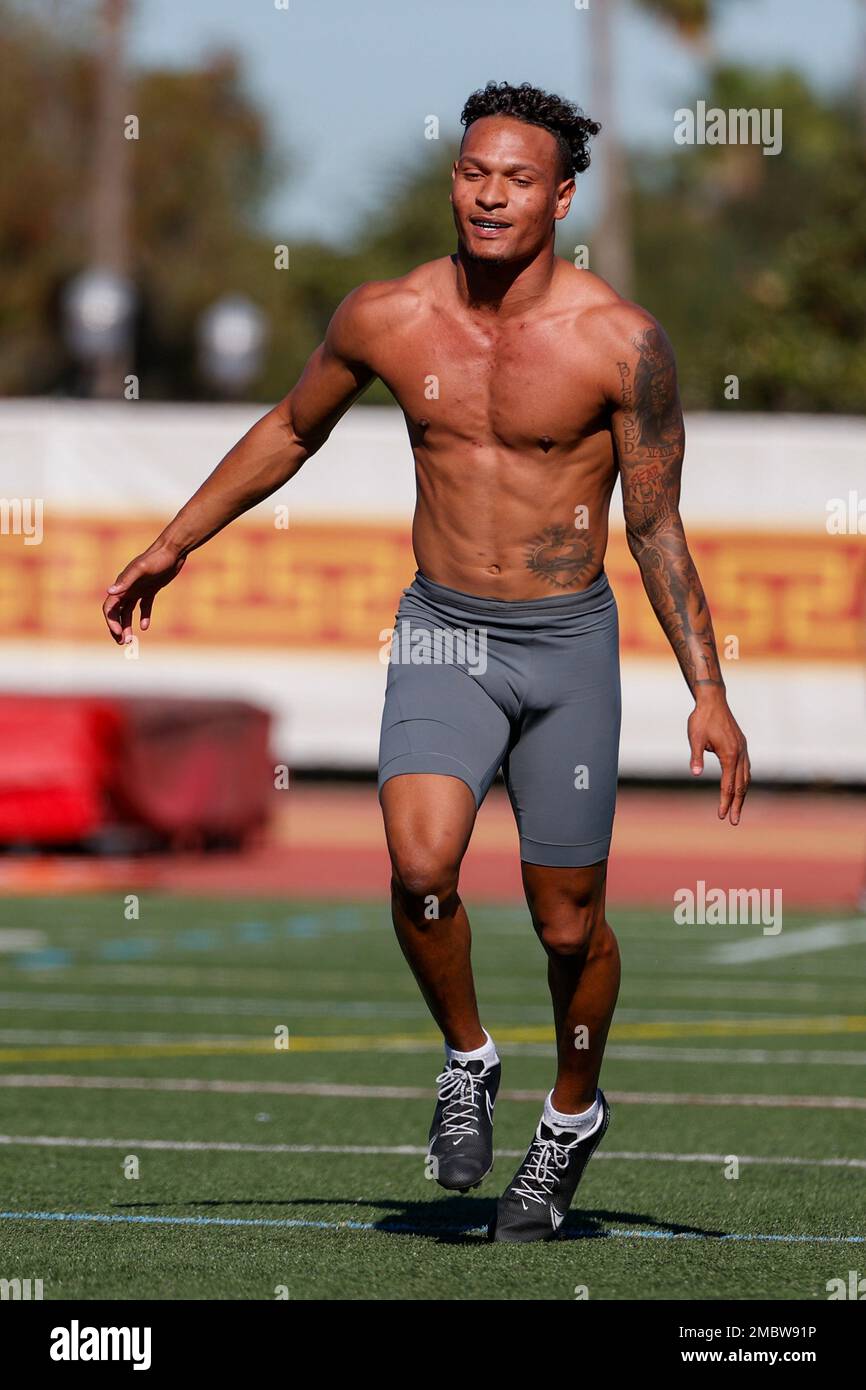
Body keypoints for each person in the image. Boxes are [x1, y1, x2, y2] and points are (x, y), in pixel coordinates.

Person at [103, 81, 750, 1243]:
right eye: (471, 172)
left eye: (515, 178)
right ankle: (467, 1056)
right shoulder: (387, 315)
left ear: (561, 195)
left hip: (565, 643)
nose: (488, 193)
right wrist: (171, 544)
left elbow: (653, 525)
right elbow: (292, 427)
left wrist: (707, 689)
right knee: (418, 864)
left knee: (567, 927)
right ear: (452, 179)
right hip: (444, 627)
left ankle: (568, 1113)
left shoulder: (621, 343)